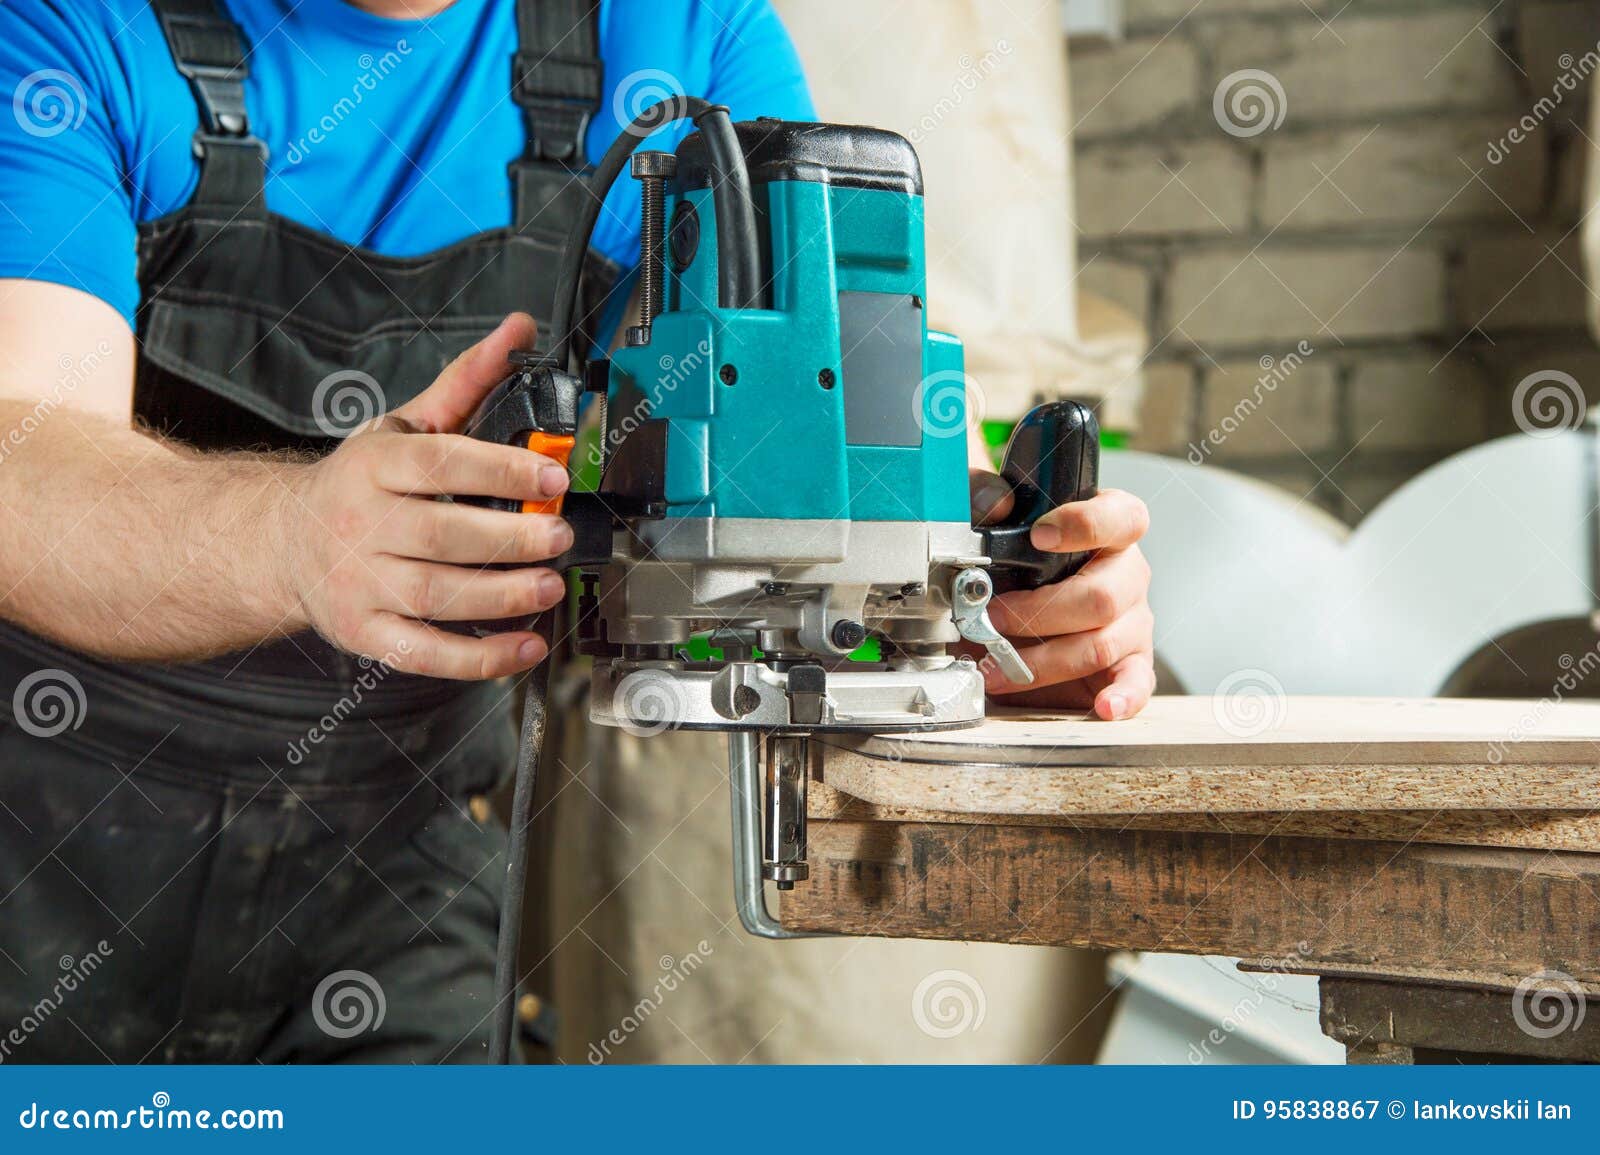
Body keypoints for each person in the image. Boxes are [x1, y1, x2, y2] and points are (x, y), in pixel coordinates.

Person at [0, 0, 1153, 1064]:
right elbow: (22, 459)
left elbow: (798, 411)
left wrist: (968, 581)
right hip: (44, 859)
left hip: (405, 882)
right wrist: (294, 536)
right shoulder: (70, 27)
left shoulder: (683, 33)